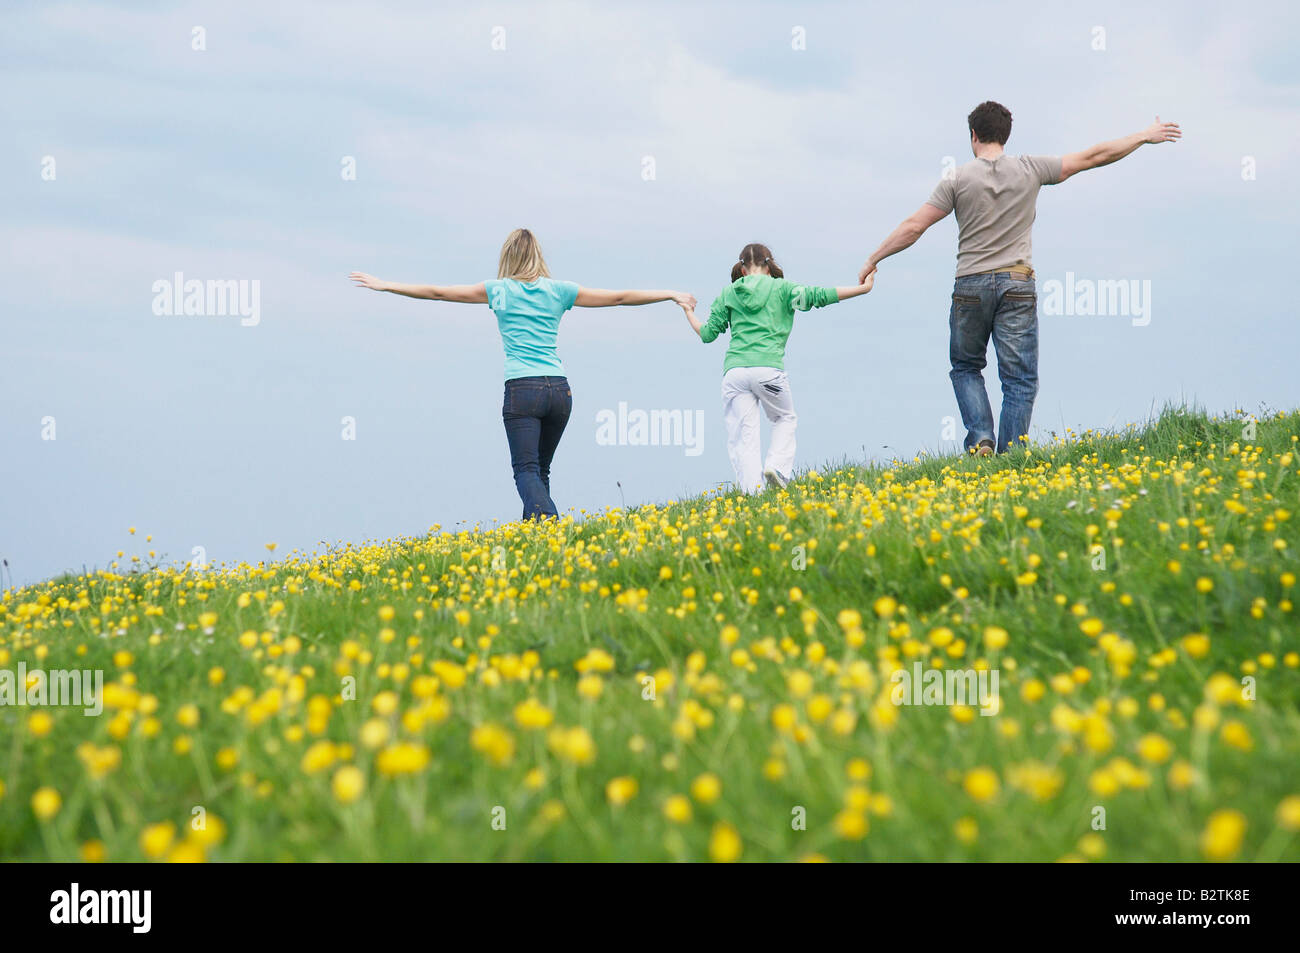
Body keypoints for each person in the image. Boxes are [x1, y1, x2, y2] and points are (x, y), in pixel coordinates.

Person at [858, 102, 1181, 454]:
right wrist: (1143, 136)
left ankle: (981, 436)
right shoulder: (1031, 168)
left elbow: (914, 226)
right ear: (1005, 135)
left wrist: (875, 258)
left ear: (974, 135)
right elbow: (1093, 156)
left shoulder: (957, 177)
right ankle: (1010, 455)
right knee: (1020, 380)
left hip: (970, 285)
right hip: (1017, 285)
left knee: (966, 366)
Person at [350, 228, 695, 520]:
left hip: (523, 390)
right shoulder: (559, 290)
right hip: (559, 391)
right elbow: (619, 297)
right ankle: (537, 537)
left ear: (508, 258)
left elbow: (439, 293)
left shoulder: (498, 290)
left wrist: (385, 285)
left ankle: (549, 524)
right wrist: (668, 294)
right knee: (539, 471)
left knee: (526, 470)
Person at [680, 242, 874, 493]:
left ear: (742, 270)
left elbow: (707, 334)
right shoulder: (782, 288)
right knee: (784, 418)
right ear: (769, 266)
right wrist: (862, 289)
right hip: (768, 369)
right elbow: (819, 296)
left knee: (743, 436)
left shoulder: (728, 293)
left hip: (735, 373)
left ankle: (752, 493)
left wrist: (688, 312)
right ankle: (777, 467)